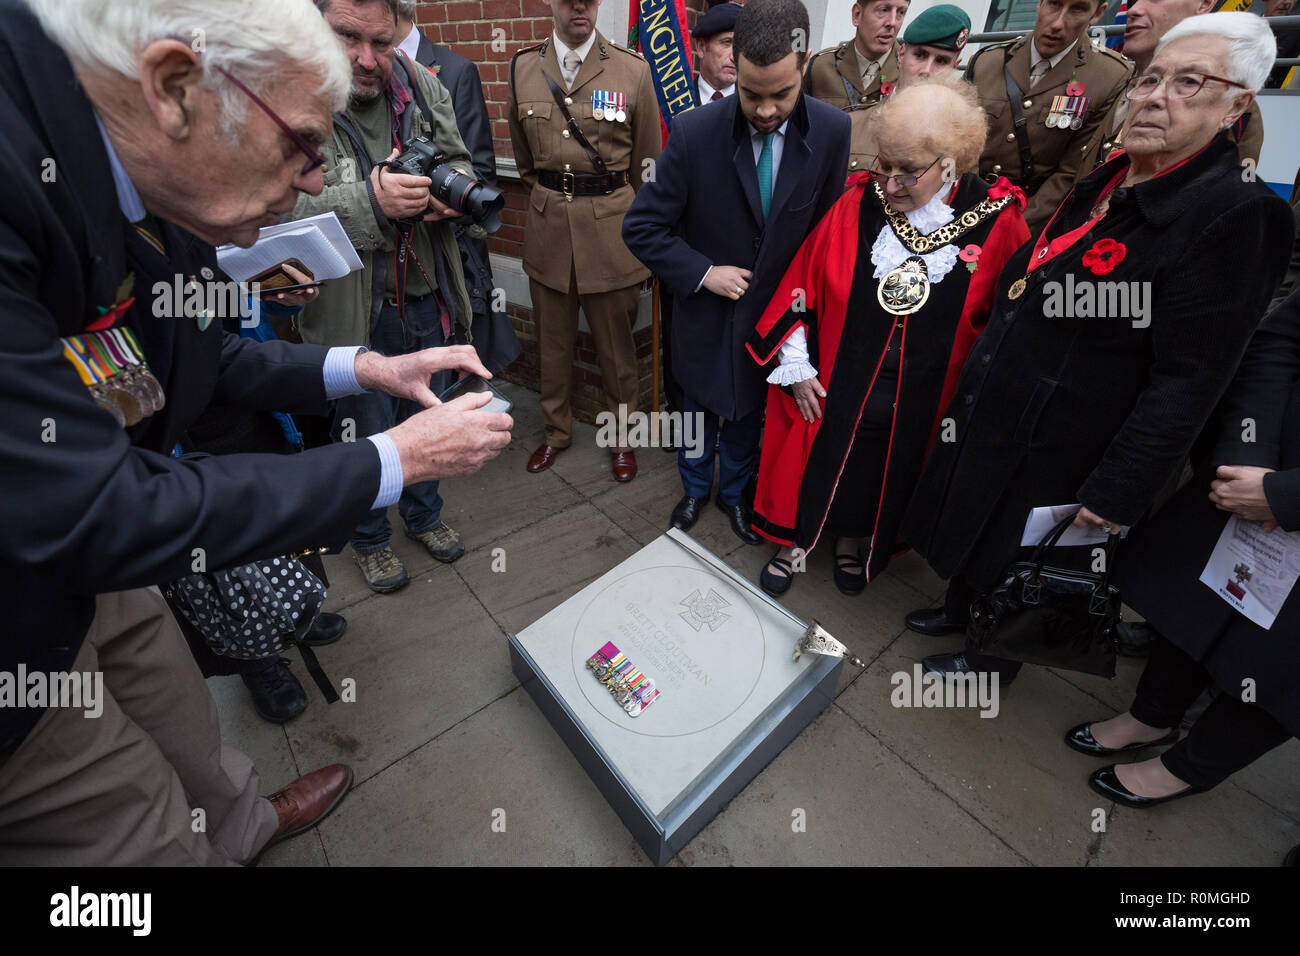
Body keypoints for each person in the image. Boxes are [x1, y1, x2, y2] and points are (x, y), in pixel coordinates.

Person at [0, 0, 512, 864]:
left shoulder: (150, 170)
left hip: (101, 564)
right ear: (175, 88)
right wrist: (392, 459)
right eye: (304, 143)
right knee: (124, 824)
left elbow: (204, 352)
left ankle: (238, 823)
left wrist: (367, 371)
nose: (317, 180)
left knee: (173, 702)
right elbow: (96, 511)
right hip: (26, 606)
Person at [901, 12, 1294, 687]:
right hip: (1009, 397)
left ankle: (989, 663)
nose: (1156, 97)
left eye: (1189, 82)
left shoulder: (1236, 215)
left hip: (1074, 436)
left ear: (1237, 105)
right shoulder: (1115, 175)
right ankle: (959, 606)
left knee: (1023, 551)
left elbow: (1190, 380)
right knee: (977, 518)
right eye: (1152, 80)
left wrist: (1116, 493)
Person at [746, 83, 1029, 596]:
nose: (892, 183)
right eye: (885, 164)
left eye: (909, 171)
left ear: (951, 165)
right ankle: (797, 542)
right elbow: (802, 281)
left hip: (923, 396)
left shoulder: (1000, 221)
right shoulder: (859, 201)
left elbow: (1009, 323)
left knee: (880, 466)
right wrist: (798, 364)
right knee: (824, 448)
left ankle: (855, 541)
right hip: (838, 376)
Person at [623, 0, 850, 545]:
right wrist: (703, 272)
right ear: (734, 66)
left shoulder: (833, 130)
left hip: (773, 324)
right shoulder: (694, 131)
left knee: (749, 419)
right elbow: (643, 227)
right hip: (704, 317)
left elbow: (825, 236)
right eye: (752, 95)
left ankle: (735, 496)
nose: (767, 110)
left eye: (782, 94)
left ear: (805, 64)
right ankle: (695, 489)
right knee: (697, 415)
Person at [1068, 287, 1300, 808]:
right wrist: (1252, 454)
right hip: (1257, 473)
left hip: (1280, 492)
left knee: (1279, 665)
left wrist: (1286, 498)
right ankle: (1150, 716)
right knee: (1201, 601)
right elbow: (1283, 338)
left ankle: (1188, 768)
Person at [290, 0, 474, 595]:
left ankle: (425, 515)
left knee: (432, 416)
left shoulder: (421, 85)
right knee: (365, 434)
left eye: (383, 41)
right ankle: (370, 540)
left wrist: (449, 196)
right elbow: (276, 209)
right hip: (353, 311)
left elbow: (458, 160)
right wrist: (369, 202)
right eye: (347, 37)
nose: (366, 59)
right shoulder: (291, 91)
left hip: (428, 296)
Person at [508, 0, 662, 483]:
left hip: (611, 231)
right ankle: (555, 432)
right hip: (549, 228)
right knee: (551, 345)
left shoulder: (632, 70)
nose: (580, 5)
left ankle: (622, 437)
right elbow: (525, 161)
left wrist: (645, 236)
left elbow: (648, 166)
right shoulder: (523, 68)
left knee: (617, 350)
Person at [395, 1, 521, 375]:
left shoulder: (454, 70)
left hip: (451, 257)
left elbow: (480, 169)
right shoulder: (358, 73)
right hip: (390, 273)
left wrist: (436, 201)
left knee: (458, 378)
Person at [967, 0, 1131, 235]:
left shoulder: (1109, 78)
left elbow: (1072, 172)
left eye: (1077, 9)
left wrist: (1010, 229)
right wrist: (966, 210)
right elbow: (958, 144)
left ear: (1097, 14)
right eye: (1054, 4)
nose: (1057, 23)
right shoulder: (987, 61)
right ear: (1040, 3)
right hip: (963, 207)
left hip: (1029, 223)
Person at [1077, 0, 1264, 177]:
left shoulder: (1226, 103)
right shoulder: (1120, 79)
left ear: (1205, 4)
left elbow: (1219, 200)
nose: (1133, 10)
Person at [845, 4, 971, 177]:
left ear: (954, 68)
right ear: (901, 55)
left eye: (941, 61)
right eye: (920, 55)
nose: (927, 70)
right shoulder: (851, 126)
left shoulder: (961, 142)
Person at [804, 0, 910, 110]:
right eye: (883, 10)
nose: (892, 23)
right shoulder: (819, 68)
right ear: (857, 14)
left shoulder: (911, 72)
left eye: (901, 12)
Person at [695, 2, 739, 103]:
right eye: (727, 42)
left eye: (740, 45)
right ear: (701, 47)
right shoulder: (677, 103)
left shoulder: (753, 107)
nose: (734, 57)